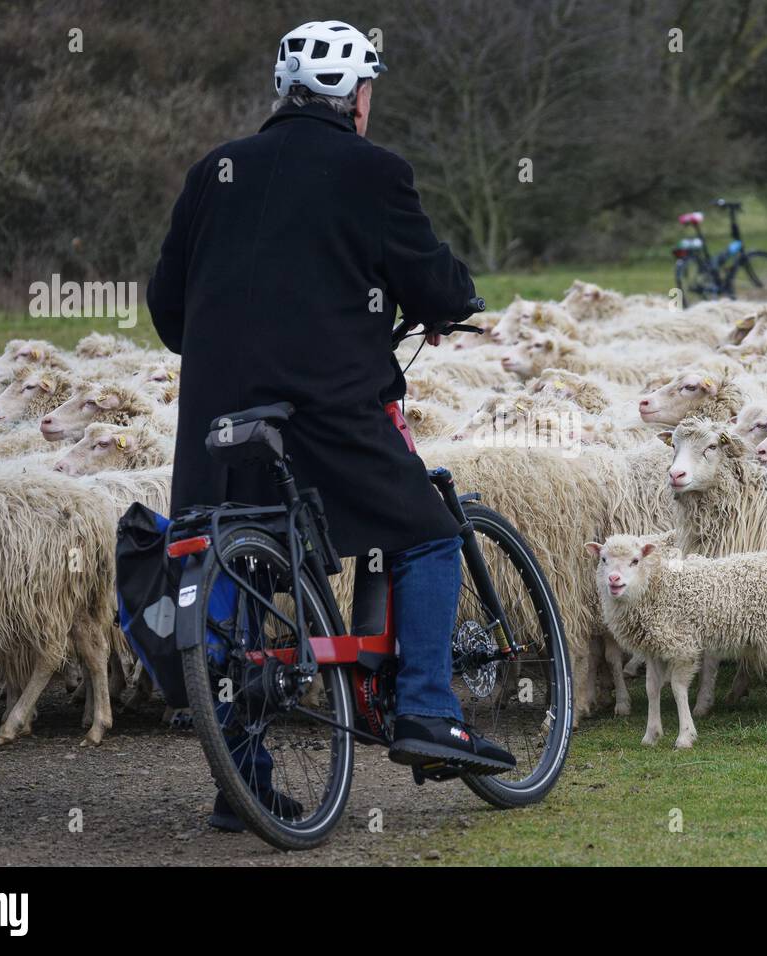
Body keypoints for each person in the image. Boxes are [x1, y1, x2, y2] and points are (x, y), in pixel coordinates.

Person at [146, 20, 515, 832]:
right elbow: (430, 278)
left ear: (285, 92)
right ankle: (425, 708)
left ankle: (241, 782)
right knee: (425, 532)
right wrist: (454, 304)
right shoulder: (373, 171)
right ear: (354, 94)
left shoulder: (214, 171)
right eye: (368, 88)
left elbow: (167, 310)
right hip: (325, 411)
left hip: (216, 421)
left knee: (238, 576)